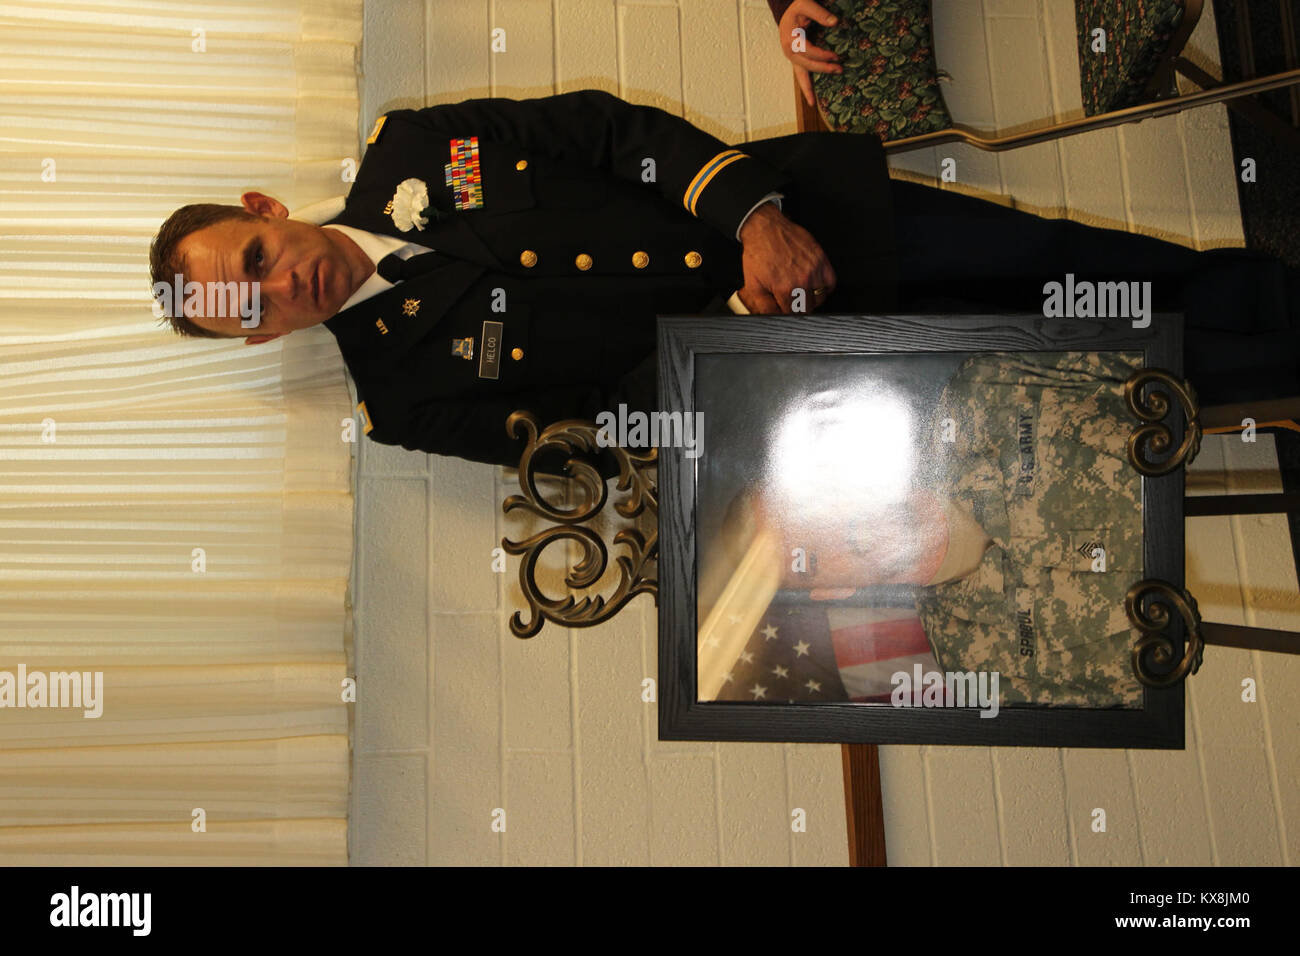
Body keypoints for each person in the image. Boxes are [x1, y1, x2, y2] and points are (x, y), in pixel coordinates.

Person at [149, 89, 1300, 470]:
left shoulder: (411, 150)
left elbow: (607, 133)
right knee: (1070, 375)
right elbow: (600, 432)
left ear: (262, 211)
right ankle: (1276, 369)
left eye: (251, 260)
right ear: (256, 339)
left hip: (811, 215)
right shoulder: (401, 401)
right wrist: (736, 333)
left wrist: (749, 215)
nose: (276, 285)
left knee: (1058, 264)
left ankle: (1271, 298)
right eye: (249, 306)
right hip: (805, 370)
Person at [712, 350, 1147, 708]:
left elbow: (1156, 377)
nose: (831, 534)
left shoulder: (984, 395)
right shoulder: (978, 665)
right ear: (832, 591)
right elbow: (1146, 692)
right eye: (807, 559)